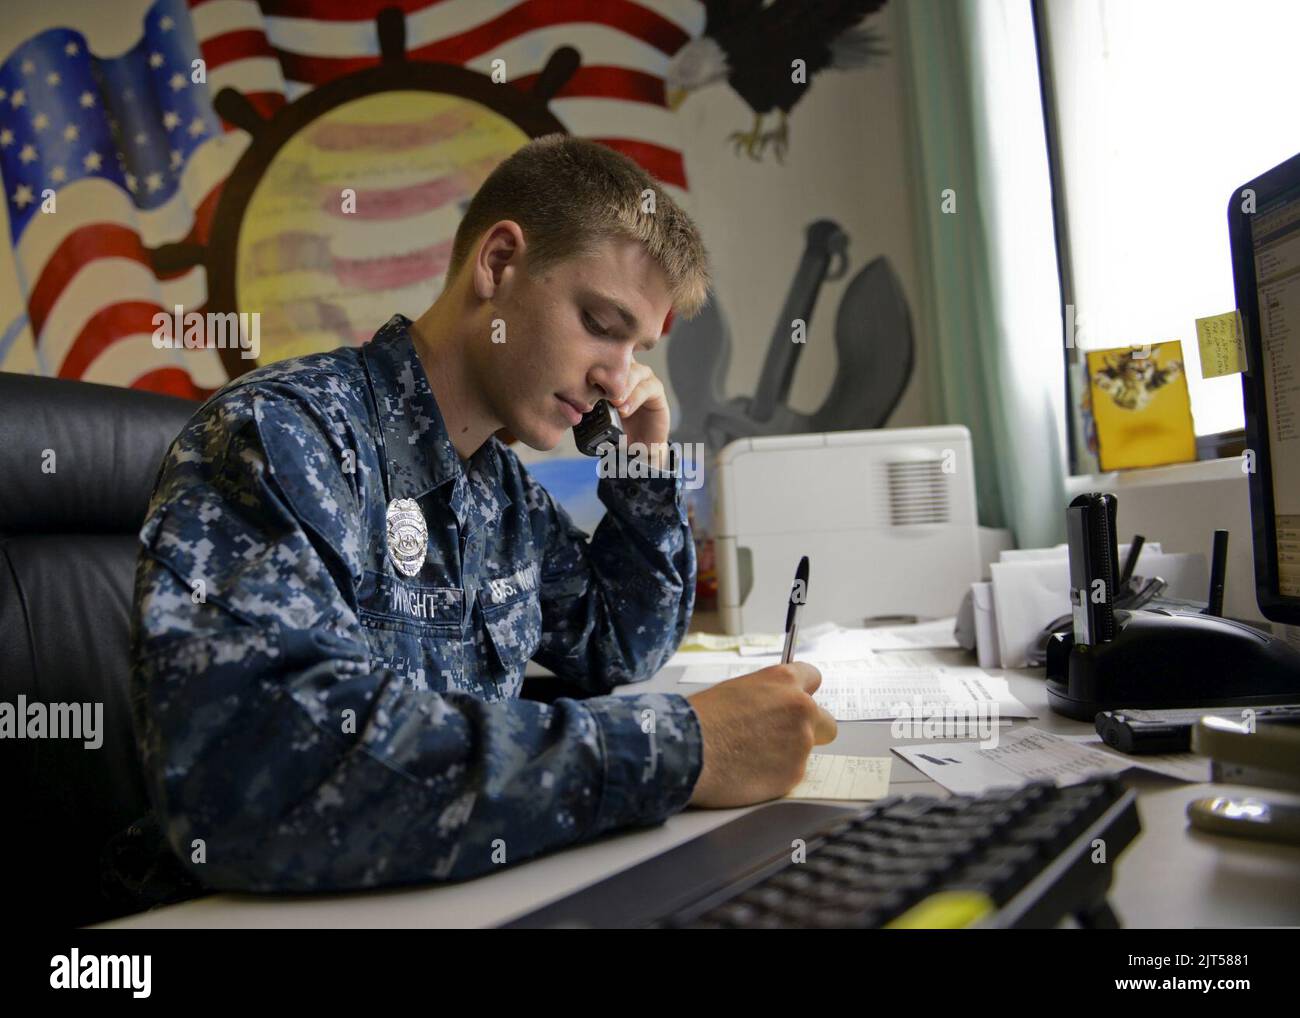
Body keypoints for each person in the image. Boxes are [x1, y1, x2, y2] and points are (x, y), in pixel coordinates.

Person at [102, 134, 837, 908]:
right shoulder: (283, 437)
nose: (615, 380)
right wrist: (684, 748)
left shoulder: (496, 487)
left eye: (637, 348)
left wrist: (640, 467)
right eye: (599, 323)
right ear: (498, 263)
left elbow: (621, 644)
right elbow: (268, 775)